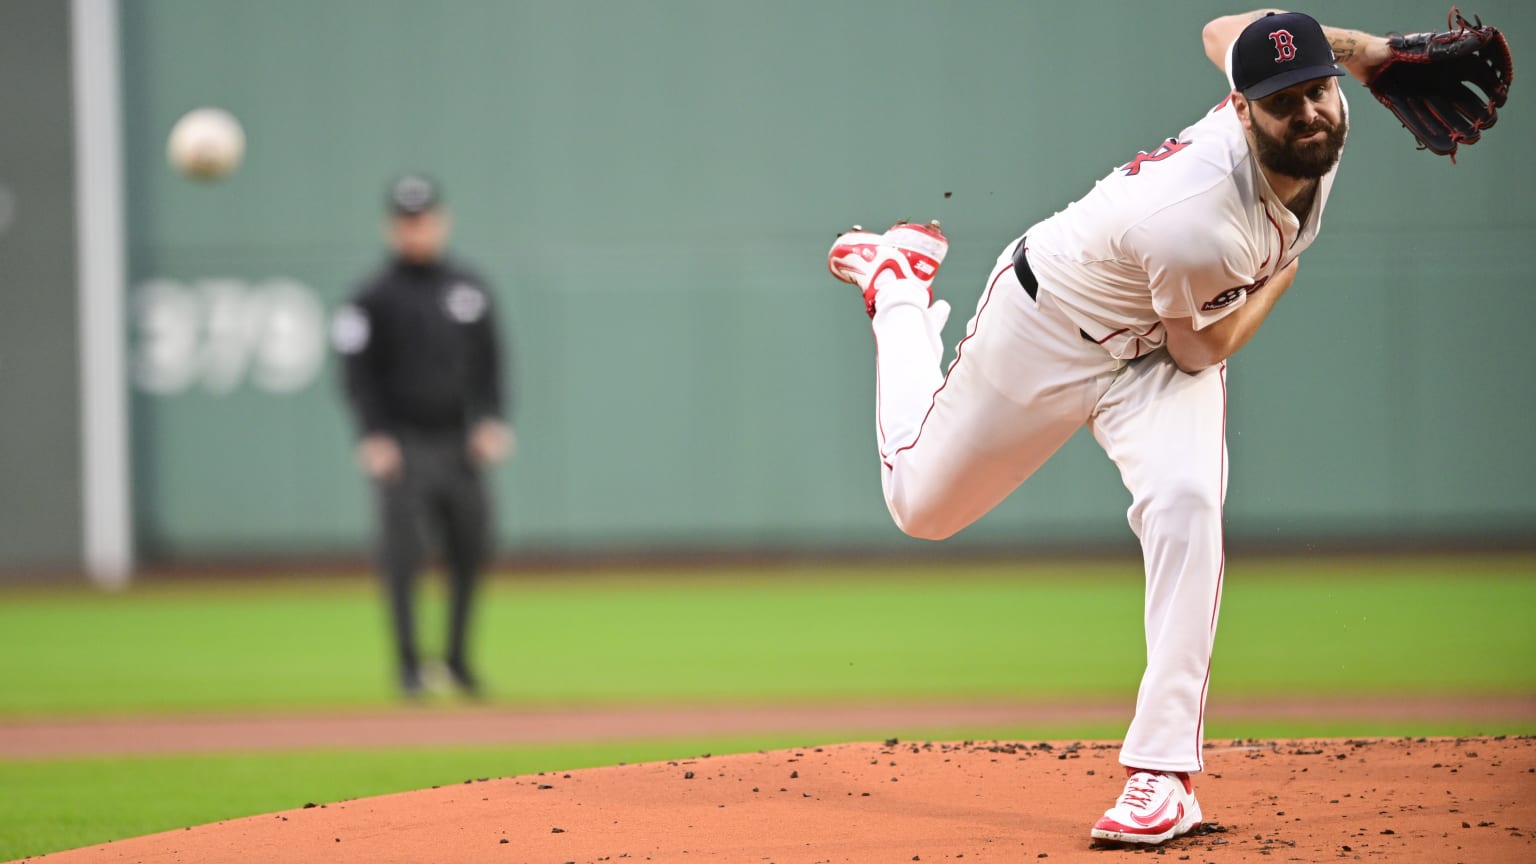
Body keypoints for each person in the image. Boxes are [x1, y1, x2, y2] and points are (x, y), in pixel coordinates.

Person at [826, 10, 1392, 847]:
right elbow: (1202, 349)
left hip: (1155, 341)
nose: (1308, 112)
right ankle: (899, 287)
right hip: (1053, 326)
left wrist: (1380, 55)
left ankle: (1162, 776)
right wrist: (1282, 278)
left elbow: (1225, 29)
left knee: (1188, 500)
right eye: (1283, 101)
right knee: (920, 507)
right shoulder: (1198, 217)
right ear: (1242, 111)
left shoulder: (1317, 126)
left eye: (1318, 90)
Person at [333, 174, 513, 699]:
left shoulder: (469, 289)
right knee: (403, 557)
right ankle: (410, 666)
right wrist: (374, 435)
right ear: (392, 227)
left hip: (459, 442)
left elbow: (492, 362)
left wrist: (492, 418)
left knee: (470, 551)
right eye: (406, 221)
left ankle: (457, 661)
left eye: (424, 219)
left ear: (441, 221)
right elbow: (356, 375)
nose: (416, 230)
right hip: (403, 445)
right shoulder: (371, 297)